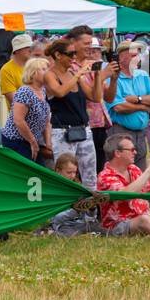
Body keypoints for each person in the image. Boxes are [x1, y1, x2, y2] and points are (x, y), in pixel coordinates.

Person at [44, 37, 112, 188]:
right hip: (62, 132)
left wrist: (98, 76)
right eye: (70, 54)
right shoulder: (50, 75)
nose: (74, 58)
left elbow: (95, 97)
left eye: (75, 53)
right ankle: (65, 211)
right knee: (65, 176)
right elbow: (60, 92)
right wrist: (79, 73)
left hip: (84, 130)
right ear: (58, 55)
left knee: (90, 176)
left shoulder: (73, 74)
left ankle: (90, 211)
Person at [106, 40, 150, 165]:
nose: (138, 58)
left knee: (140, 171)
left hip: (140, 133)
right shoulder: (113, 77)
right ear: (121, 57)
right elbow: (118, 107)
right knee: (122, 169)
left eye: (138, 55)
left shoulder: (142, 74)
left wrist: (136, 99)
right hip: (121, 132)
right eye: (134, 55)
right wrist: (143, 107)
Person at [0, 58, 52, 164]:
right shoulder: (25, 91)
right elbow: (18, 120)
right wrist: (32, 142)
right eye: (43, 69)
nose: (47, 72)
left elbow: (47, 121)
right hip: (16, 140)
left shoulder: (44, 90)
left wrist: (48, 144)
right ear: (32, 73)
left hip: (32, 141)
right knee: (28, 174)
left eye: (47, 69)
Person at [0, 33, 32, 101]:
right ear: (17, 50)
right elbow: (15, 100)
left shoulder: (34, 65)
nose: (30, 49)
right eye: (27, 47)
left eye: (31, 46)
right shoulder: (6, 70)